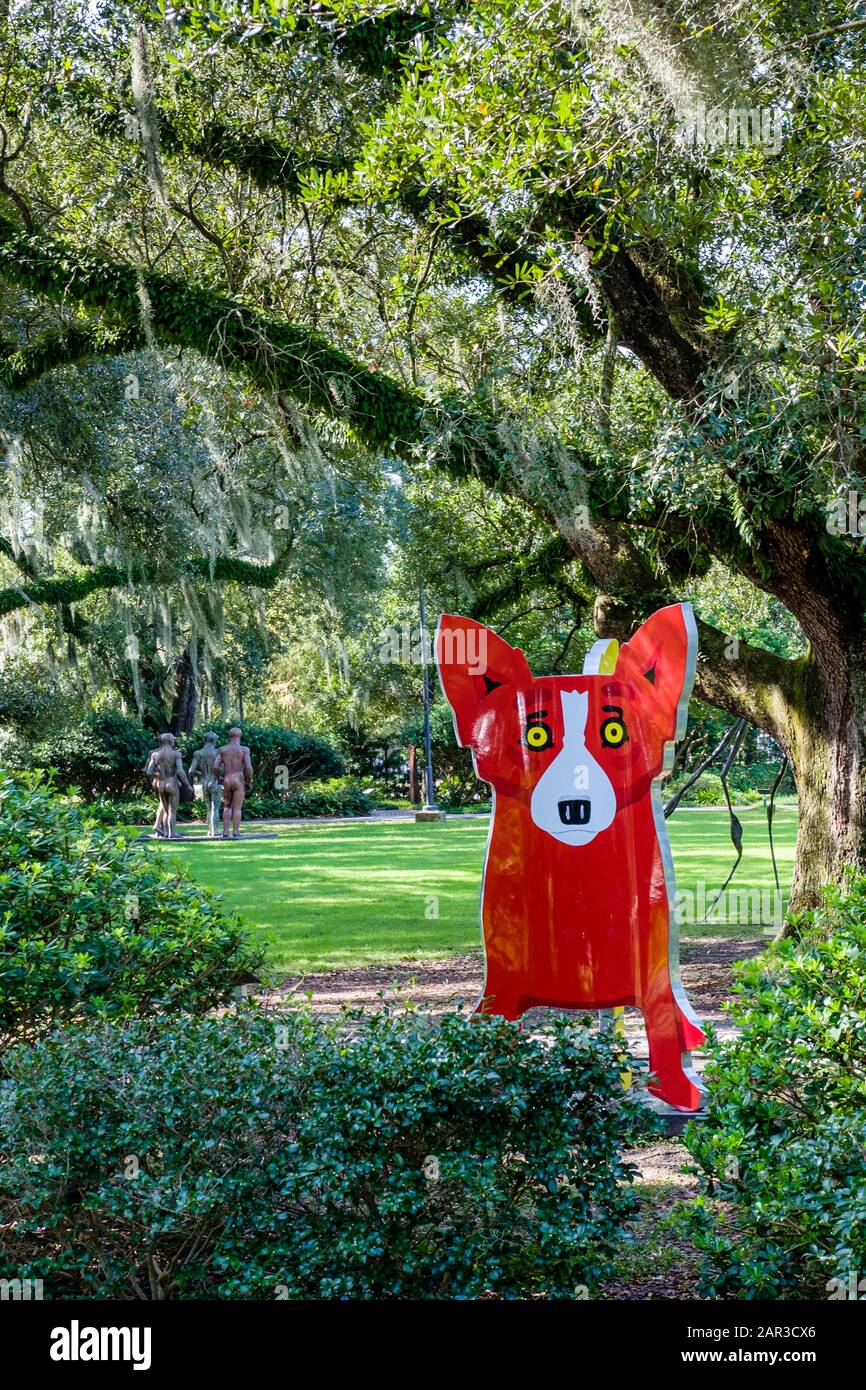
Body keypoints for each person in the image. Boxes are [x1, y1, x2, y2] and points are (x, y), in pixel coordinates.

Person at [143, 733, 192, 839]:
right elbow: (180, 771)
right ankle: (172, 833)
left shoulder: (155, 754)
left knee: (165, 810)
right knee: (172, 811)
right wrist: (187, 784)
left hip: (161, 783)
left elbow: (149, 772)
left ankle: (166, 832)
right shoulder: (176, 754)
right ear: (171, 741)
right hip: (172, 782)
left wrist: (159, 775)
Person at [215, 727, 253, 839]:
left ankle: (225, 832)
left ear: (229, 736)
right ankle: (236, 831)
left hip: (227, 779)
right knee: (237, 808)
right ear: (240, 736)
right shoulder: (244, 750)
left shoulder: (223, 750)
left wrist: (218, 778)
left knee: (227, 807)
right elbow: (249, 767)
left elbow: (215, 766)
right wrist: (249, 781)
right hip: (238, 779)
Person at [189, 731, 222, 838]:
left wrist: (201, 774)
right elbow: (222, 770)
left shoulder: (198, 753)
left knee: (208, 809)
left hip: (204, 781)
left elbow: (191, 771)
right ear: (213, 740)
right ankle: (215, 831)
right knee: (215, 808)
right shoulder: (218, 752)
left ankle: (209, 831)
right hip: (215, 781)